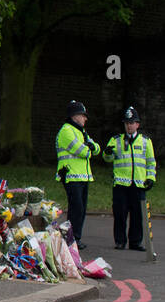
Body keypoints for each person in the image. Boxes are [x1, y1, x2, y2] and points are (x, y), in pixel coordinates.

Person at [103, 106, 155, 250]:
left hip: (138, 184)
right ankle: (120, 241)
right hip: (121, 183)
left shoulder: (145, 141)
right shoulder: (116, 140)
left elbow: (151, 162)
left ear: (137, 124)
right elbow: (108, 158)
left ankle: (135, 242)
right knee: (120, 213)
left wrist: (151, 178)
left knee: (138, 215)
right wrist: (107, 153)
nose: (129, 125)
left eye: (132, 123)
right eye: (127, 123)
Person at [55, 100, 100, 250]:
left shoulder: (82, 132)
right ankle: (70, 239)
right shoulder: (67, 131)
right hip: (70, 175)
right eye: (83, 115)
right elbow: (84, 151)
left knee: (81, 208)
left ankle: (75, 238)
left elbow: (97, 149)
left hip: (82, 176)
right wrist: (90, 147)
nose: (85, 119)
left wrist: (91, 146)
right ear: (75, 116)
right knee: (76, 208)